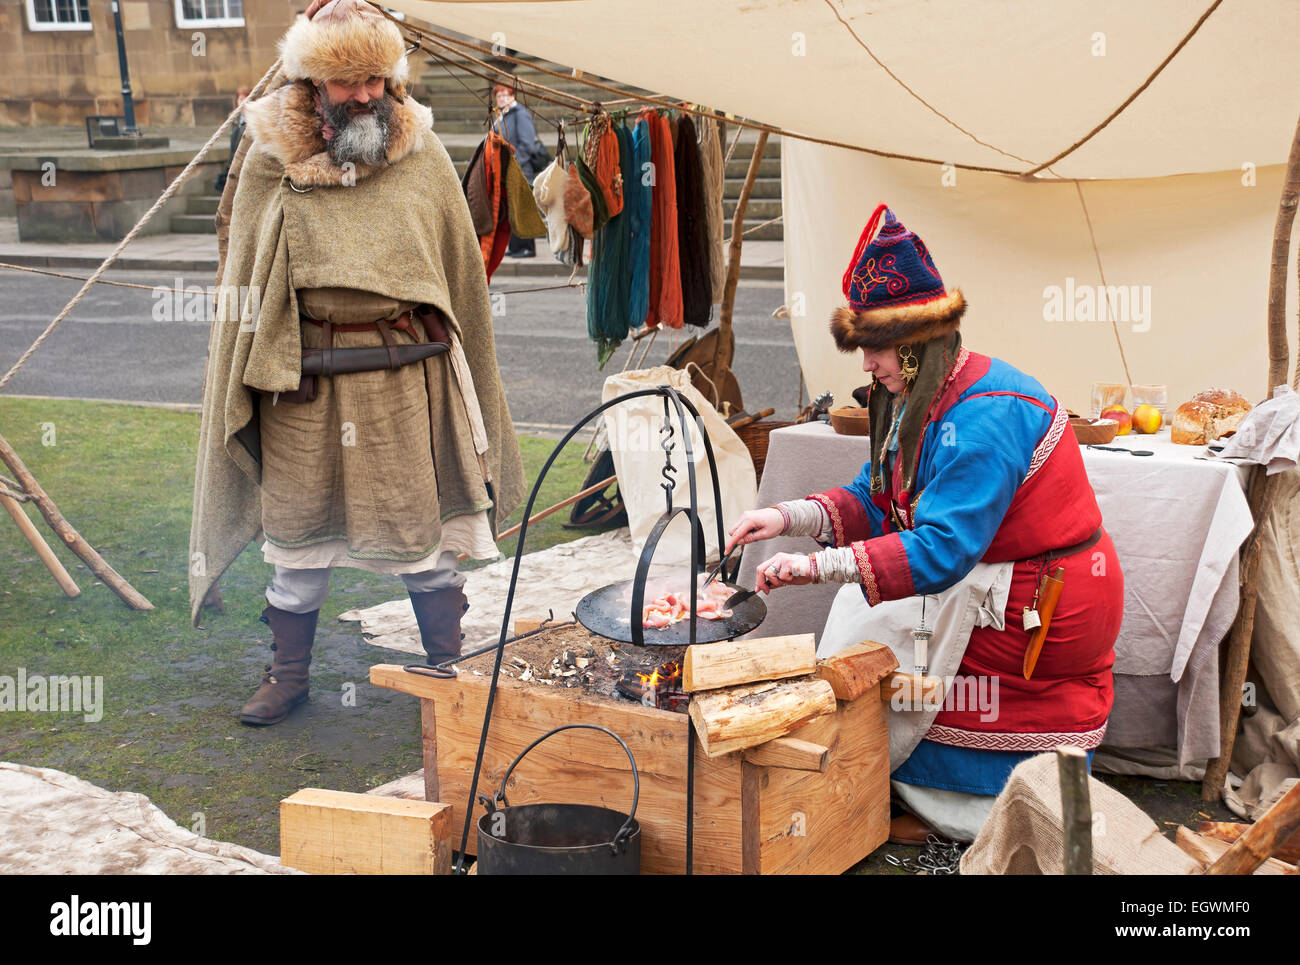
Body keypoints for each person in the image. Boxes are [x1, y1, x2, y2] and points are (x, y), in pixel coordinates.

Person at [726, 204, 1124, 841]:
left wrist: (816, 567)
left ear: (915, 343)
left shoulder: (984, 418)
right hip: (998, 581)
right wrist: (785, 517)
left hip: (1040, 613)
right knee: (860, 624)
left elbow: (941, 549)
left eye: (875, 348)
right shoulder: (925, 396)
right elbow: (881, 495)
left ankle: (945, 795)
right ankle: (885, 770)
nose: (866, 366)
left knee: (873, 664)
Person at [189, 0, 525, 726]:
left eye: (375, 76)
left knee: (422, 536)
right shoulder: (269, 157)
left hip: (402, 377)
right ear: (312, 83)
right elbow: (243, 266)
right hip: (301, 383)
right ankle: (289, 674)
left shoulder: (421, 151)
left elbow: (457, 268)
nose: (366, 94)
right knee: (298, 542)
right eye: (347, 82)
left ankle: (446, 671)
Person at [491, 81, 542, 258]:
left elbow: (527, 143)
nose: (502, 98)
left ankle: (527, 248)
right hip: (505, 169)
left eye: (506, 95)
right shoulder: (503, 115)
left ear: (512, 97)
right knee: (512, 209)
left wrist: (515, 166)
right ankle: (515, 246)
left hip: (520, 169)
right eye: (499, 95)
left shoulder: (520, 114)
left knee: (522, 209)